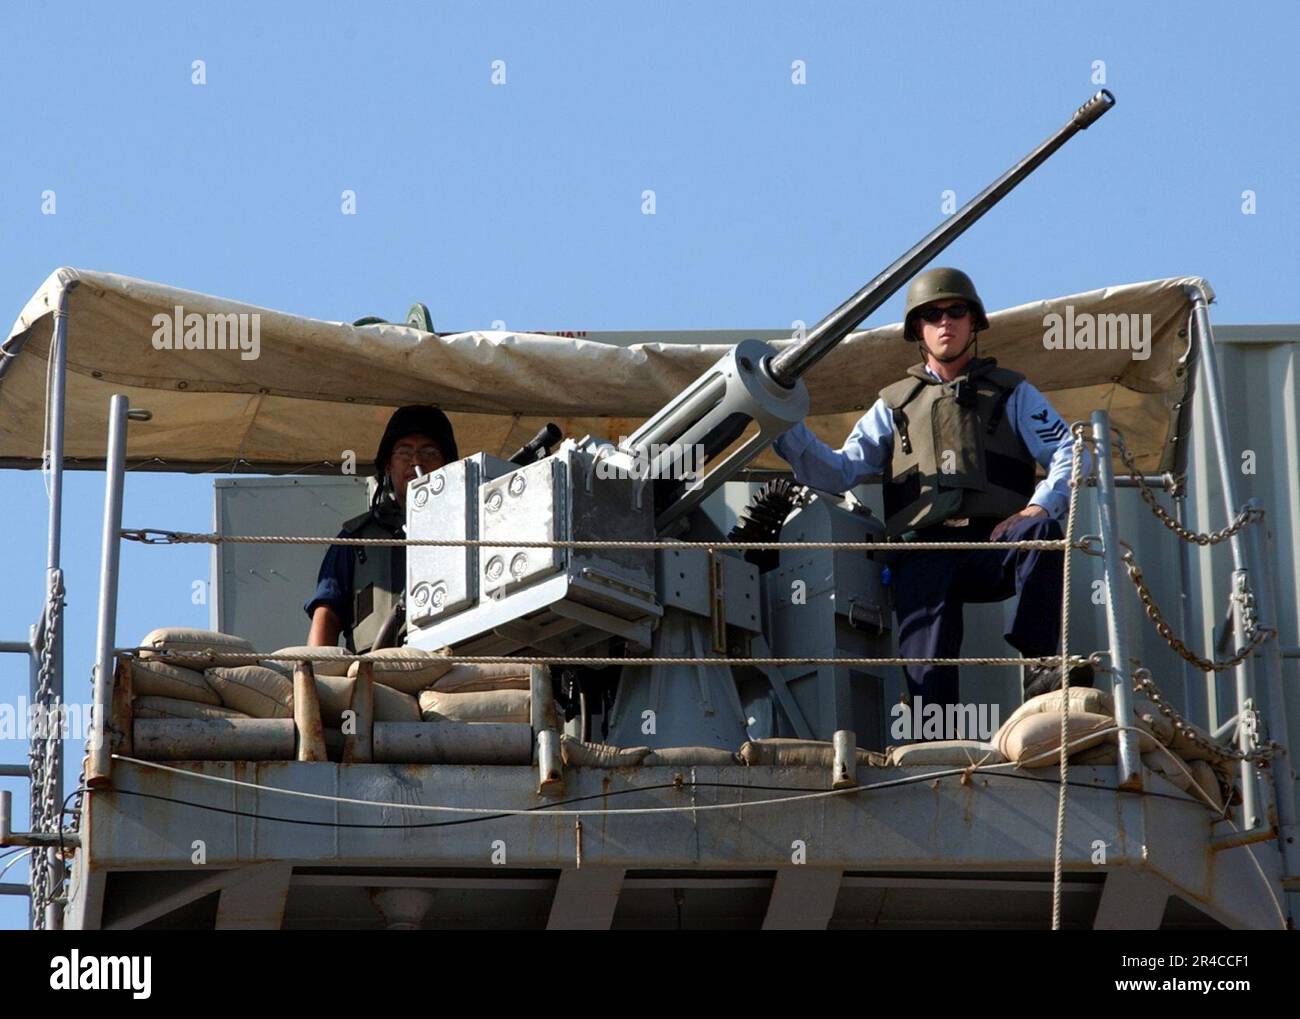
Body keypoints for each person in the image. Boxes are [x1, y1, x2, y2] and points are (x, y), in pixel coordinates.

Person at [772, 267, 1093, 710]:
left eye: (956, 311)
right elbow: (840, 471)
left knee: (1042, 535)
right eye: (932, 314)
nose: (945, 321)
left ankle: (1042, 666)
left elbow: (1071, 452)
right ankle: (932, 739)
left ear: (973, 322)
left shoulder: (1012, 392)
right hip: (926, 549)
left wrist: (1040, 506)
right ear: (918, 330)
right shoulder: (893, 404)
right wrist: (780, 422)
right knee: (928, 677)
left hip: (993, 543)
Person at [305, 405, 458, 652]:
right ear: (388, 465)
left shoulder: (469, 529)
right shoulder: (355, 539)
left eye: (429, 452)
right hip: (376, 673)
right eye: (404, 452)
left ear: (447, 465)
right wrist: (316, 678)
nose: (416, 461)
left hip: (451, 662)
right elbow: (327, 612)